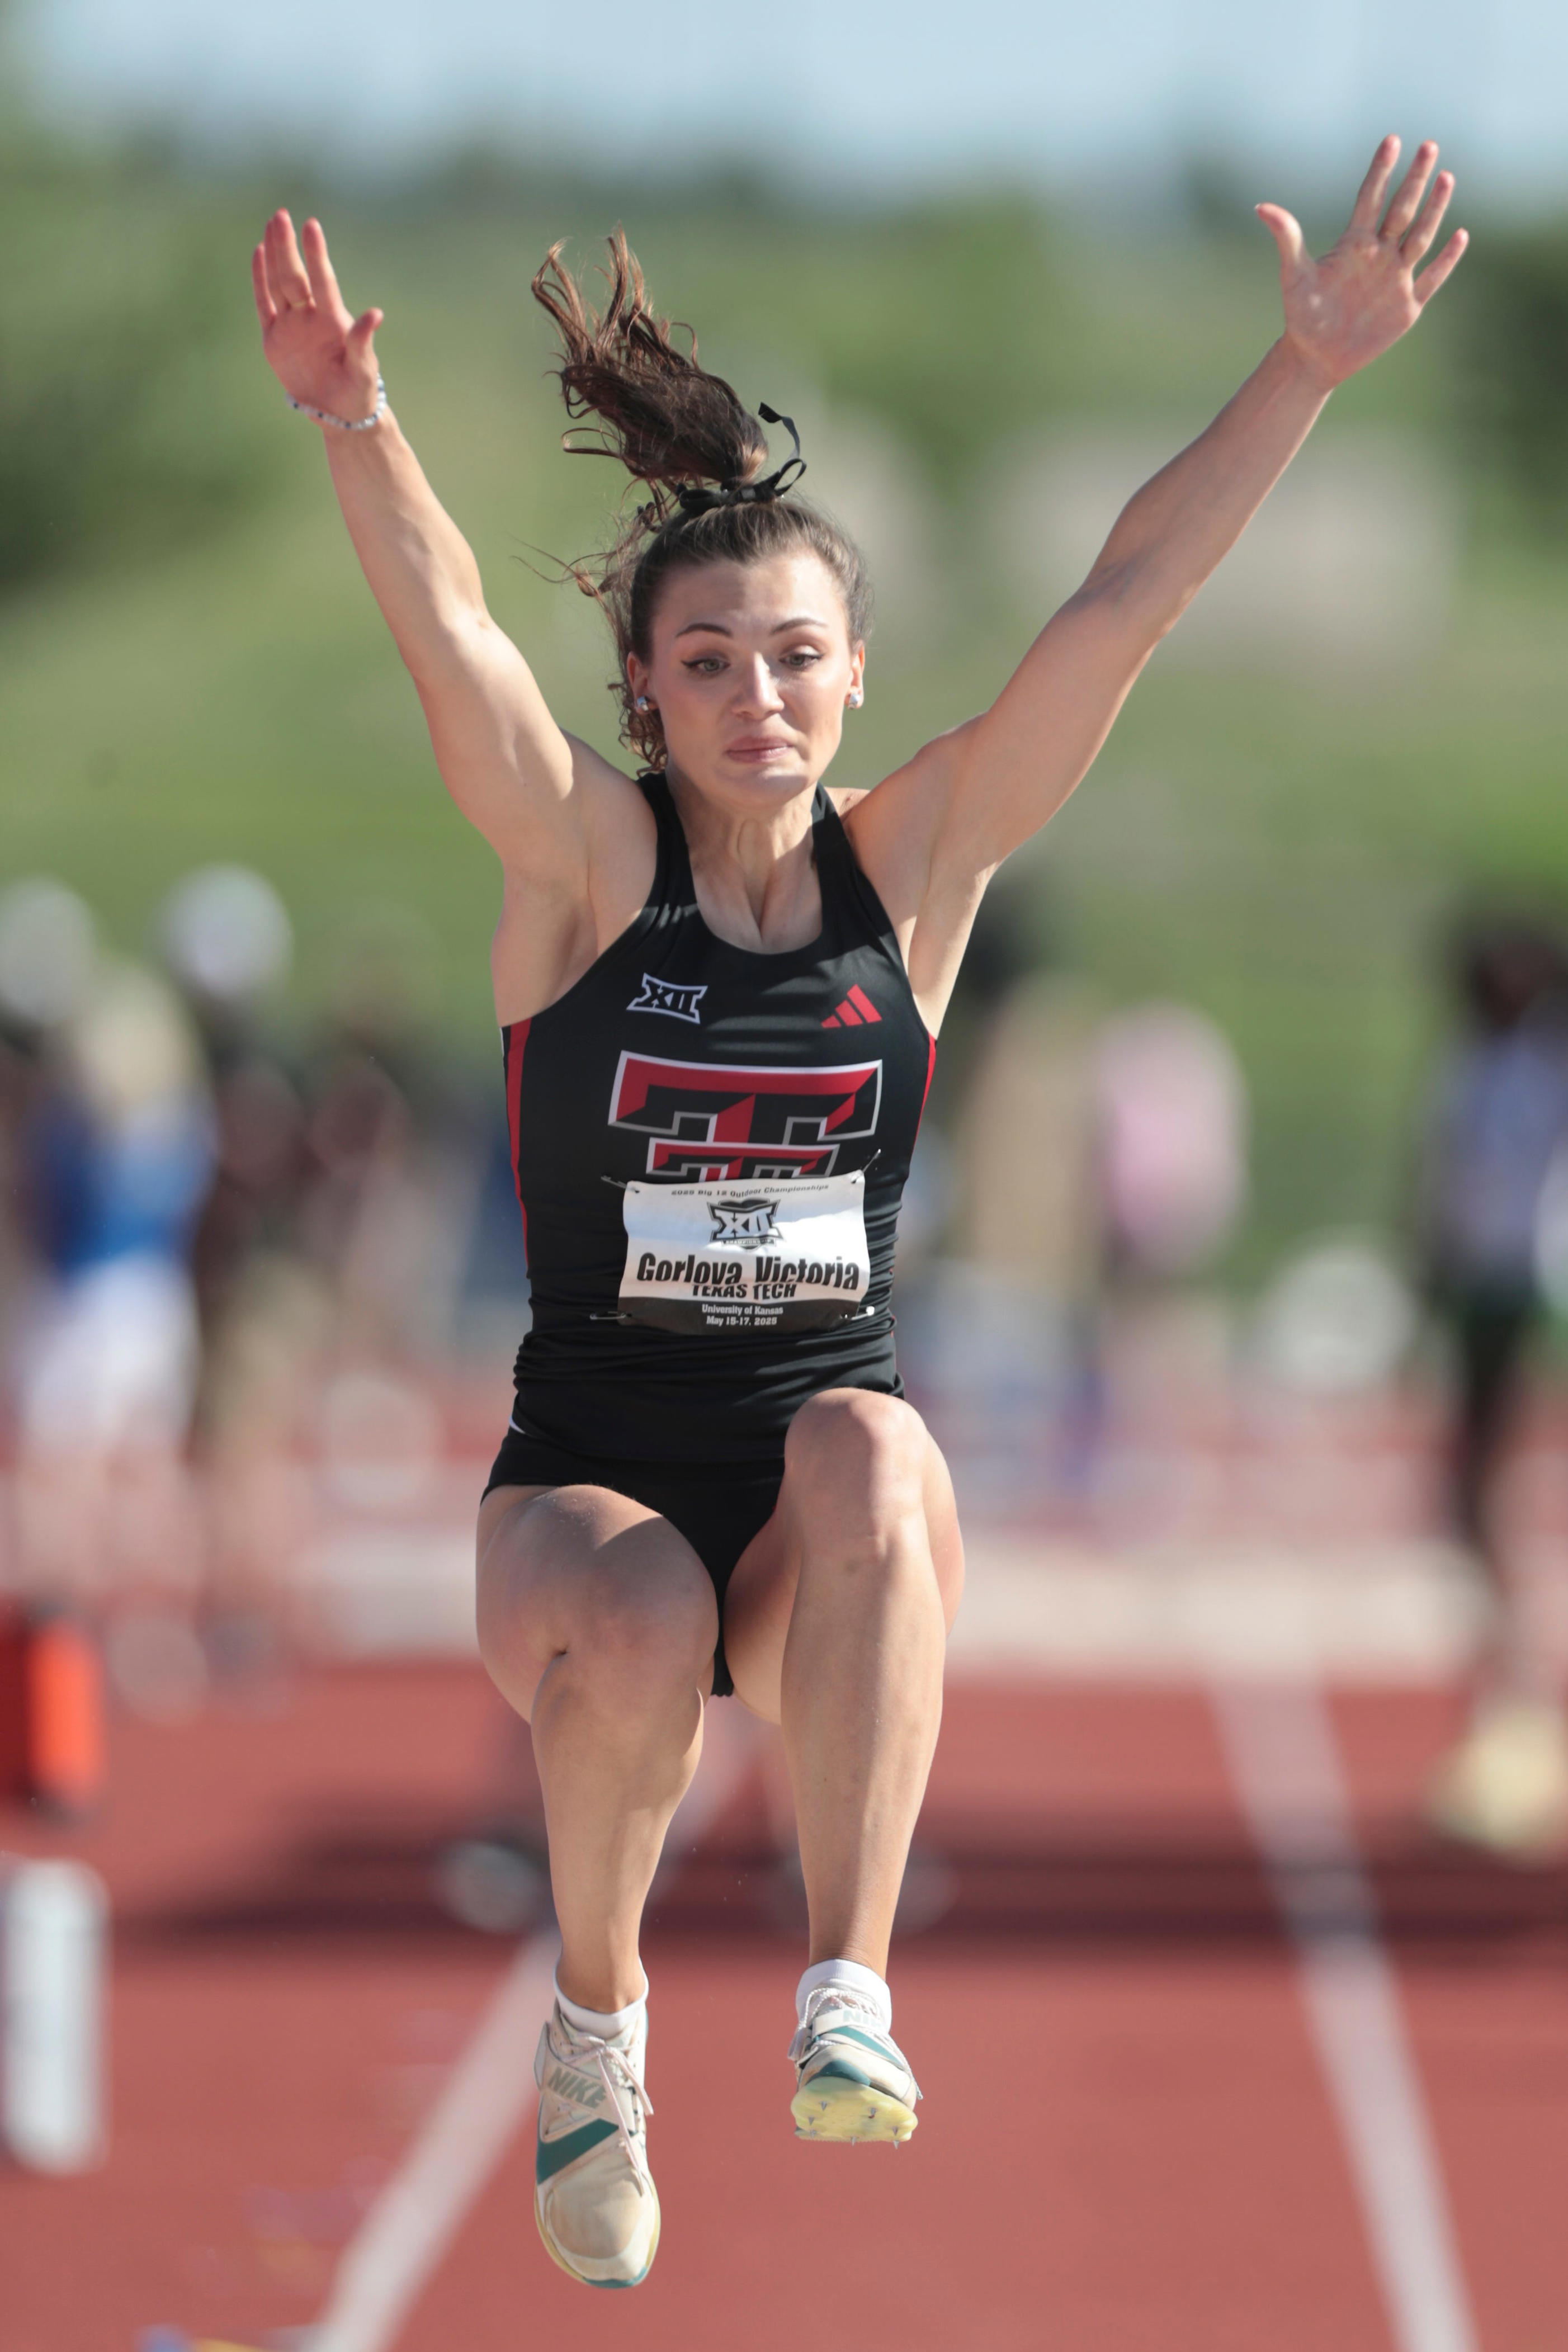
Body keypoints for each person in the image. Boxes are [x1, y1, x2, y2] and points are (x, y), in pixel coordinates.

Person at [251, 137, 1465, 2288]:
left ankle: (848, 1980)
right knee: (639, 1609)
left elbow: (1120, 605)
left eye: (795, 657)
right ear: (648, 689)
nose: (758, 696)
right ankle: (596, 2026)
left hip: (809, 1518)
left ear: (855, 674)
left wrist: (1296, 372)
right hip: (588, 1500)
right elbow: (450, 640)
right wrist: (361, 424)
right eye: (709, 660)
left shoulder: (911, 878)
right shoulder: (581, 871)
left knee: (885, 1450)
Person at [1418, 914, 1568, 1857]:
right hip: (1483, 1294)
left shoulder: (1549, 1065)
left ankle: (1525, 1707)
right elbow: (1442, 1183)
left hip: (1534, 1294)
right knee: (1473, 1504)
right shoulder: (1469, 1063)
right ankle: (1511, 1703)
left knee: (1509, 1497)